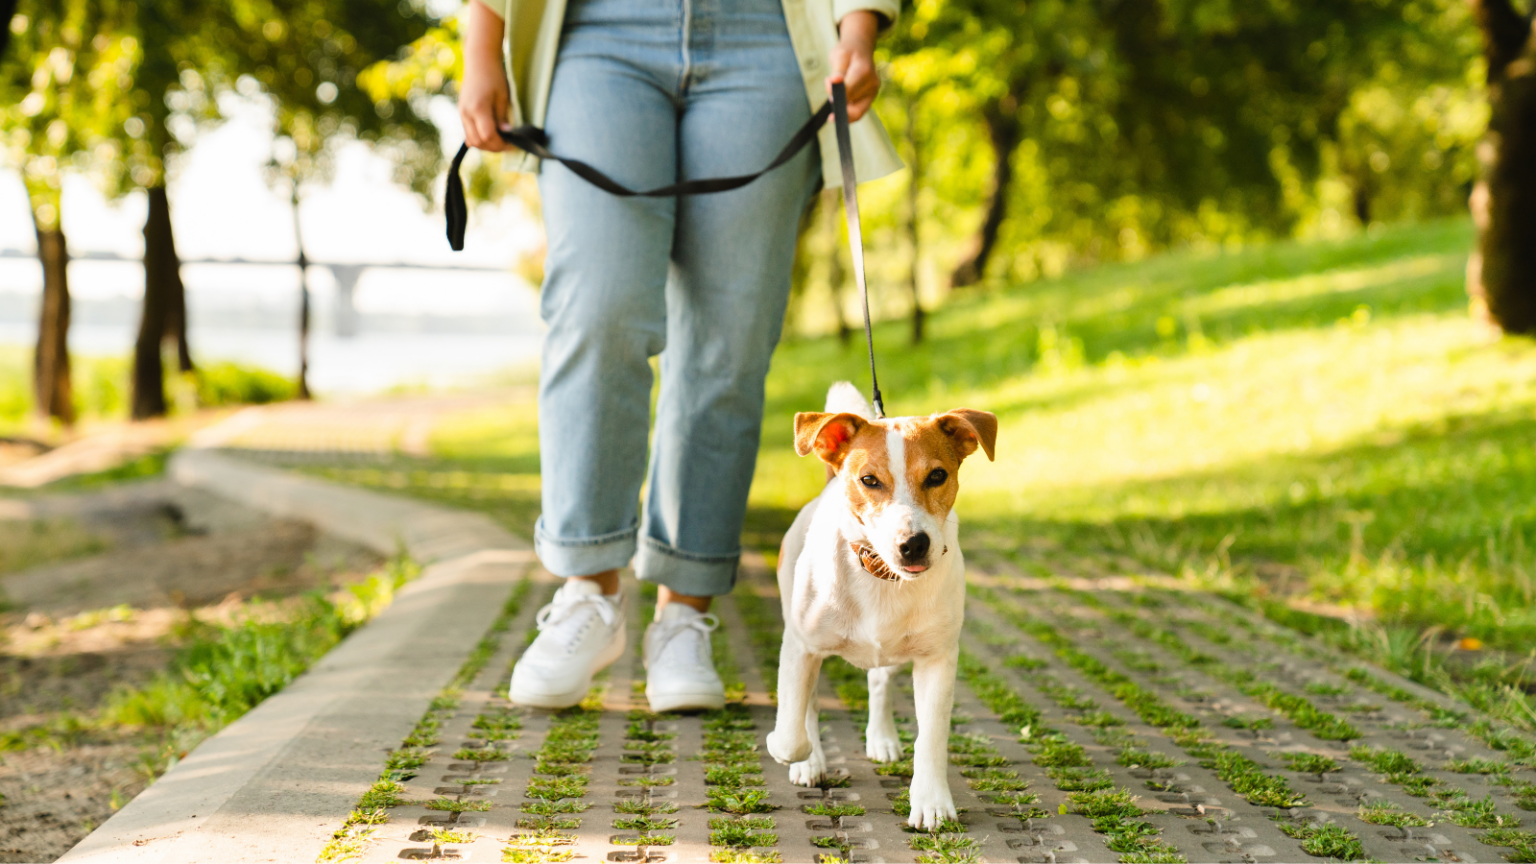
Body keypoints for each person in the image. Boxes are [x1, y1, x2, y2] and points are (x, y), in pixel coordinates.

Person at [459, 0, 903, 712]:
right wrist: (483, 40)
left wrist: (857, 26)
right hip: (599, 34)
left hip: (766, 40)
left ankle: (683, 613)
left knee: (729, 340)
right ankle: (587, 592)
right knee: (596, 310)